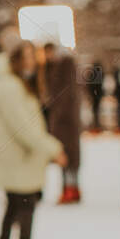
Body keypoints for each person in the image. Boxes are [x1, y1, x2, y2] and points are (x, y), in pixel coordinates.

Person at [0, 40, 64, 239]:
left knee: (14, 205)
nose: (30, 62)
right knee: (26, 203)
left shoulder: (12, 84)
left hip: (16, 156)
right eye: (25, 57)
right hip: (17, 156)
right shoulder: (10, 86)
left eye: (33, 57)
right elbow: (22, 127)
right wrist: (52, 148)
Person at [38, 40, 82, 203]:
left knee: (70, 155)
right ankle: (68, 187)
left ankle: (72, 188)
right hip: (59, 119)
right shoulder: (49, 67)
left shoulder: (66, 64)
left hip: (67, 119)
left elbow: (67, 91)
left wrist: (56, 107)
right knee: (63, 154)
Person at [87, 60, 105, 131]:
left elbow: (89, 85)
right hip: (97, 95)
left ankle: (96, 124)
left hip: (94, 95)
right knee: (96, 110)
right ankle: (96, 124)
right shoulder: (100, 74)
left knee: (95, 110)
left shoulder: (92, 74)